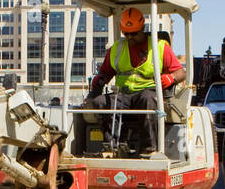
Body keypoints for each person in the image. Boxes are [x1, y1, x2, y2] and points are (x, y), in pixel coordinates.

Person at [76, 8, 184, 155]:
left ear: (143, 29)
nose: (130, 37)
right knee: (101, 102)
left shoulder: (159, 47)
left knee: (148, 100)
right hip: (123, 94)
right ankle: (112, 147)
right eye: (126, 33)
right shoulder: (117, 49)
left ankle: (150, 148)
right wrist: (95, 91)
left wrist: (170, 78)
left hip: (149, 92)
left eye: (134, 33)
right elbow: (105, 73)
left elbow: (181, 73)